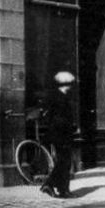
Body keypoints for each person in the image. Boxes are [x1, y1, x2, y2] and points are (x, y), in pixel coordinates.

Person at [41, 71, 78, 199]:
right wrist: (68, 126)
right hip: (60, 134)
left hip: (62, 134)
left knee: (64, 162)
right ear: (65, 84)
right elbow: (57, 118)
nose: (71, 87)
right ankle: (54, 186)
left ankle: (60, 188)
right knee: (64, 162)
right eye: (70, 84)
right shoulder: (58, 98)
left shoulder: (61, 96)